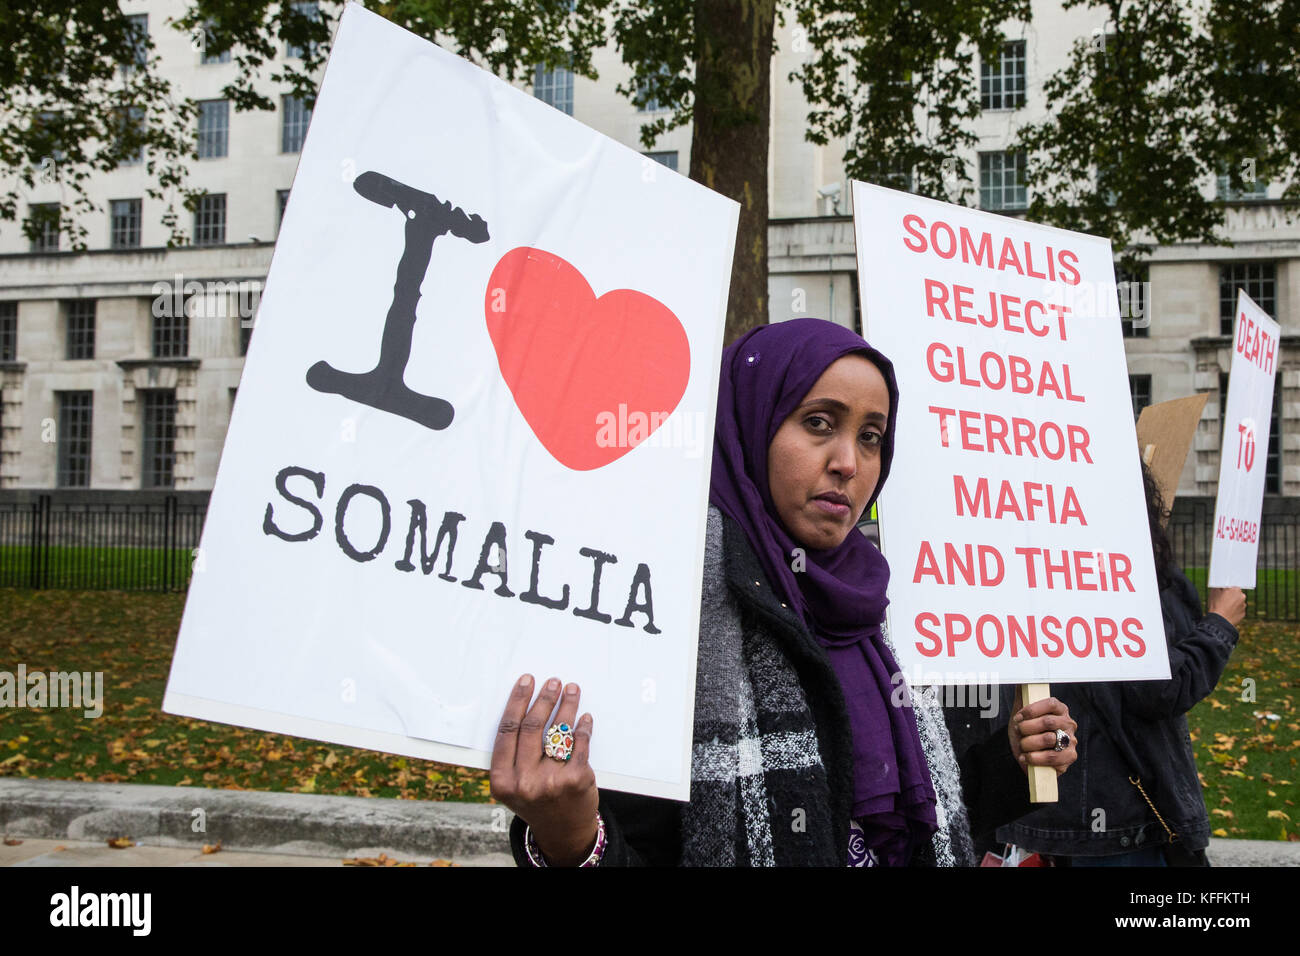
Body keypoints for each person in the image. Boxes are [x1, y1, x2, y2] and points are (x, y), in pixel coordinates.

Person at [490, 318, 1077, 866]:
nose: (849, 463)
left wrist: (1013, 761)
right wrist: (565, 836)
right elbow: (625, 834)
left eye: (871, 436)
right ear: (750, 421)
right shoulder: (665, 601)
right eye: (819, 422)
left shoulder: (871, 602)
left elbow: (910, 821)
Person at [996, 459, 1246, 866]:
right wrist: (1220, 626)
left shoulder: (1036, 564)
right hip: (1124, 824)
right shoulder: (1117, 573)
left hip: (1056, 816)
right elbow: (1161, 688)